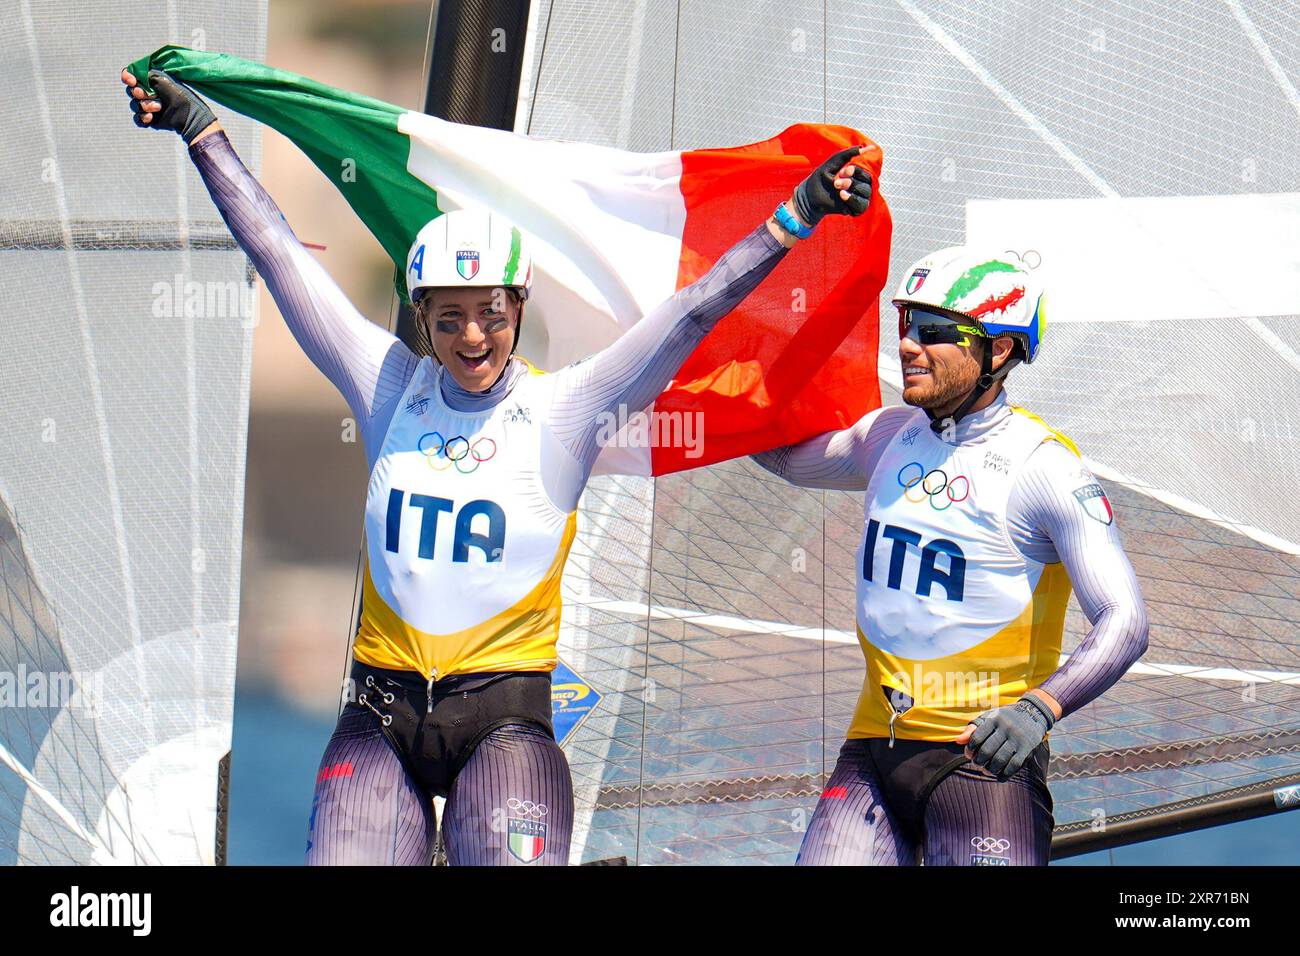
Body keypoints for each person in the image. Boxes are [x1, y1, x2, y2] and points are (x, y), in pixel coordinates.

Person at [122, 67, 873, 865]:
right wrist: (202, 135)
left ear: (518, 306)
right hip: (379, 717)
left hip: (505, 726)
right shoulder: (387, 386)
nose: (472, 338)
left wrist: (798, 215)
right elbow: (279, 255)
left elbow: (690, 314)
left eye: (490, 315)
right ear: (422, 318)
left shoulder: (569, 407)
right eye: (449, 319)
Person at [755, 247, 1149, 865]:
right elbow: (778, 455)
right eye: (907, 325)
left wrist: (1040, 708)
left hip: (981, 764)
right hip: (873, 754)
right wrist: (705, 385)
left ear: (998, 350)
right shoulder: (889, 434)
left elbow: (1126, 622)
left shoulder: (1044, 466)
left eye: (936, 331)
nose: (909, 345)